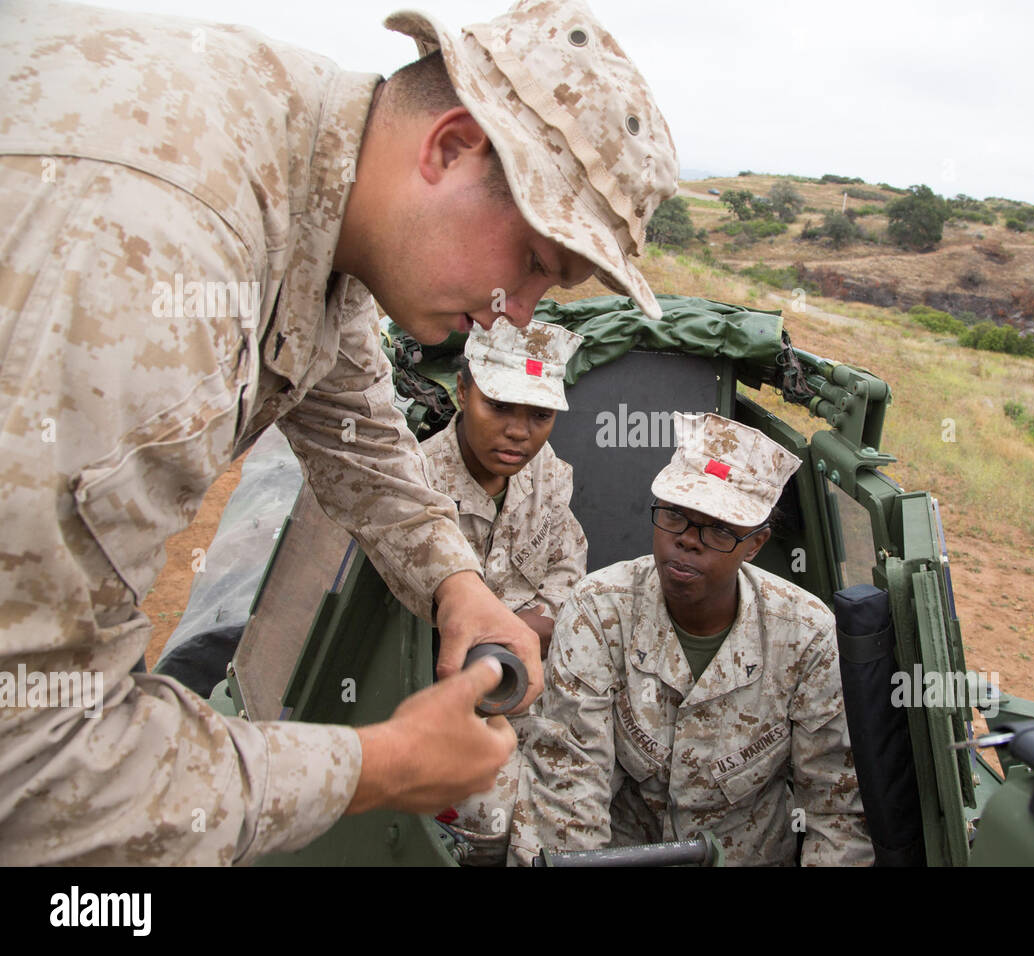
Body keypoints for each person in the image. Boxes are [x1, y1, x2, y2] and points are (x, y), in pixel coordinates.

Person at [0, 0, 678, 864]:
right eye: (534, 265)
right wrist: (383, 766)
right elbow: (37, 765)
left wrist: (456, 585)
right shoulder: (153, 272)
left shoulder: (321, 171)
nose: (517, 316)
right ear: (452, 146)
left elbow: (352, 416)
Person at [510, 412, 873, 866]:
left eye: (720, 529)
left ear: (755, 544)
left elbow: (836, 809)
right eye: (675, 517)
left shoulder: (806, 636)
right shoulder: (599, 611)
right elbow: (568, 789)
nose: (688, 541)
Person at [422, 317, 587, 864]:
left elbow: (568, 568)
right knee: (489, 826)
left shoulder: (549, 475)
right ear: (463, 392)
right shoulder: (412, 485)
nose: (520, 432)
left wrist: (533, 622)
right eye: (499, 407)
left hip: (536, 683)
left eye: (540, 415)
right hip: (442, 700)